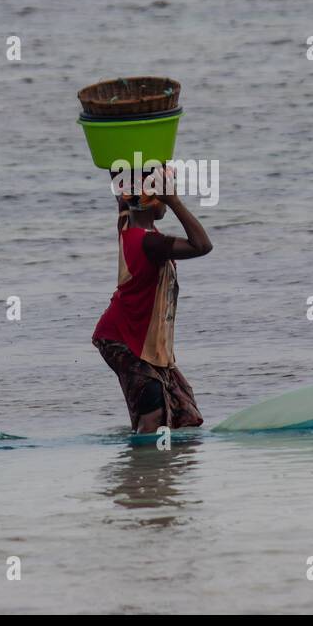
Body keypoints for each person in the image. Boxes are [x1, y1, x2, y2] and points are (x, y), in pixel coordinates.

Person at [92, 168, 212, 434]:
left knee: (182, 410)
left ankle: (151, 465)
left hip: (133, 340)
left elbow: (120, 179)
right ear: (152, 199)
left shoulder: (127, 221)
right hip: (122, 339)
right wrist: (175, 202)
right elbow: (203, 245)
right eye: (164, 195)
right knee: (154, 408)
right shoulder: (150, 244)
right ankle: (140, 466)